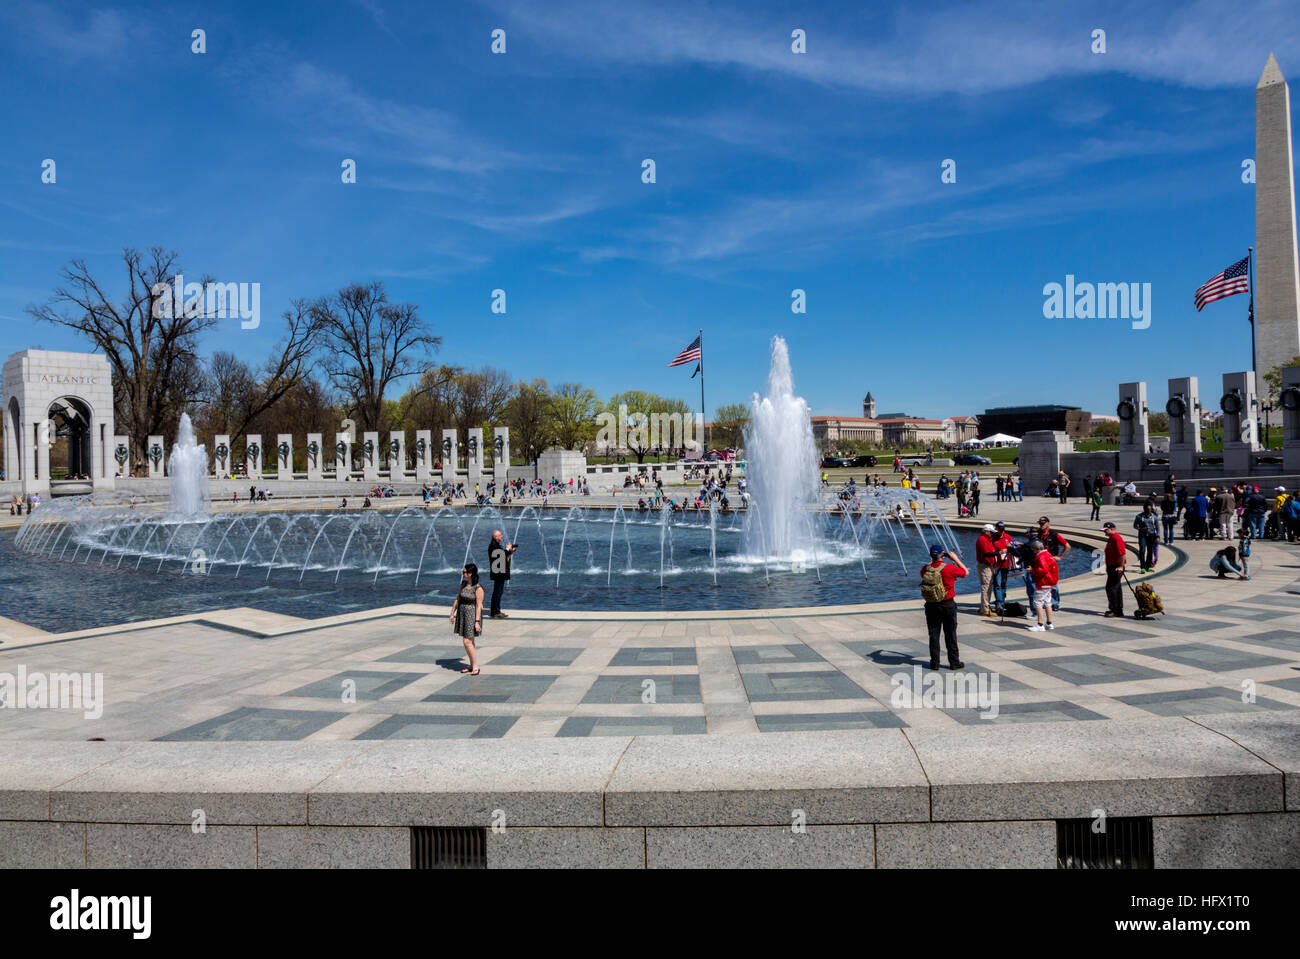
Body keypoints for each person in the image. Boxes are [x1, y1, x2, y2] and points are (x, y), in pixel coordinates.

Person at [919, 544, 966, 671]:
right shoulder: (949, 568)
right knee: (950, 634)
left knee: (933, 634)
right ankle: (954, 662)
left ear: (931, 555)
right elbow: (965, 572)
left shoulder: (925, 569)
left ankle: (935, 663)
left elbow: (926, 570)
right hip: (947, 605)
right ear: (943, 555)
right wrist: (955, 559)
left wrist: (934, 559)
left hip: (931, 606)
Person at [450, 562, 485, 674]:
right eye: (463, 571)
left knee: (466, 641)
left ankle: (475, 666)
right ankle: (471, 665)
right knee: (470, 641)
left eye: (464, 572)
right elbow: (458, 599)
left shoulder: (478, 588)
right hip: (462, 614)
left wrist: (477, 622)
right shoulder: (463, 584)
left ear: (471, 573)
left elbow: (479, 606)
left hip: (472, 616)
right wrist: (452, 614)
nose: (463, 573)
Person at [1036, 516, 1070, 611]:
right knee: (1042, 581)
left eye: (1043, 524)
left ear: (1048, 524)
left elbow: (1067, 546)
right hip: (1041, 561)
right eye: (1040, 524)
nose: (1041, 526)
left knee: (1053, 583)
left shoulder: (1054, 535)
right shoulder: (1038, 534)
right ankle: (1045, 601)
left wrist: (1060, 556)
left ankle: (1054, 603)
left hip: (1051, 562)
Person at [1026, 540, 1059, 632]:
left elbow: (1043, 569)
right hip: (1050, 582)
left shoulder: (1041, 556)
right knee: (1047, 602)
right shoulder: (1048, 554)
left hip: (1043, 582)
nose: (1033, 552)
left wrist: (1032, 570)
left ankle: (1040, 624)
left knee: (1038, 602)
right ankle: (1049, 623)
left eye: (1033, 550)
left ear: (1037, 549)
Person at [487, 529, 518, 618]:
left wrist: (510, 551)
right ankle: (495, 612)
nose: (502, 536)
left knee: (498, 592)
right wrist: (508, 549)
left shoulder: (496, 545)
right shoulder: (493, 546)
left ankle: (496, 610)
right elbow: (500, 554)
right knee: (497, 592)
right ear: (495, 537)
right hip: (498, 572)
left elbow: (502, 556)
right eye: (500, 535)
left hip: (499, 571)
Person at [1101, 521, 1127, 617]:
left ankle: (1115, 610)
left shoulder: (1117, 538)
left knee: (1111, 588)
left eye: (1106, 530)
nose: (1104, 532)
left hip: (1116, 567)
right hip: (1112, 567)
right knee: (1116, 588)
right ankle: (1117, 610)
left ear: (1112, 529)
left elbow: (1122, 553)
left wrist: (1120, 566)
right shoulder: (1111, 538)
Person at [975, 524, 1000, 617]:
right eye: (991, 532)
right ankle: (985, 609)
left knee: (988, 587)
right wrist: (998, 553)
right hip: (985, 566)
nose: (992, 534)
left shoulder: (986, 539)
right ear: (986, 531)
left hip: (988, 565)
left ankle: (984, 607)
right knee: (986, 587)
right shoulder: (982, 540)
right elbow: (987, 554)